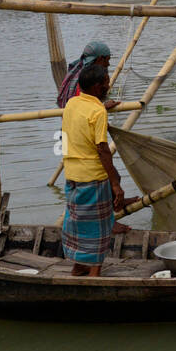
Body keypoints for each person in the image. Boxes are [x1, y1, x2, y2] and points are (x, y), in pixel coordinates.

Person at [60, 65, 129, 276]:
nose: (108, 86)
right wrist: (115, 184)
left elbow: (86, 114)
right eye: (107, 83)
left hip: (72, 176)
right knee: (99, 229)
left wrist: (103, 107)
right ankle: (94, 274)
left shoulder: (72, 103)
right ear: (98, 87)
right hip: (93, 178)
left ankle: (78, 266)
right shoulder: (97, 111)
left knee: (78, 223)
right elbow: (102, 149)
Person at [56, 40, 119, 110]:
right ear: (100, 59)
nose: (108, 64)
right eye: (107, 60)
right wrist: (103, 107)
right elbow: (81, 109)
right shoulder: (86, 79)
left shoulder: (76, 70)